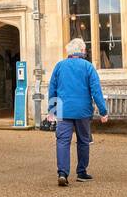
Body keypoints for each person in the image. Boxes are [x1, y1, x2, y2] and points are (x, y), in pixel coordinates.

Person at [46, 37, 108, 185]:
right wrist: (103, 111)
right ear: (81, 51)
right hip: (83, 111)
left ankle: (62, 173)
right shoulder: (88, 67)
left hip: (63, 110)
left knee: (62, 141)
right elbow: (96, 91)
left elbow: (52, 89)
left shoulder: (59, 66)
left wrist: (52, 111)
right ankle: (81, 172)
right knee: (83, 141)